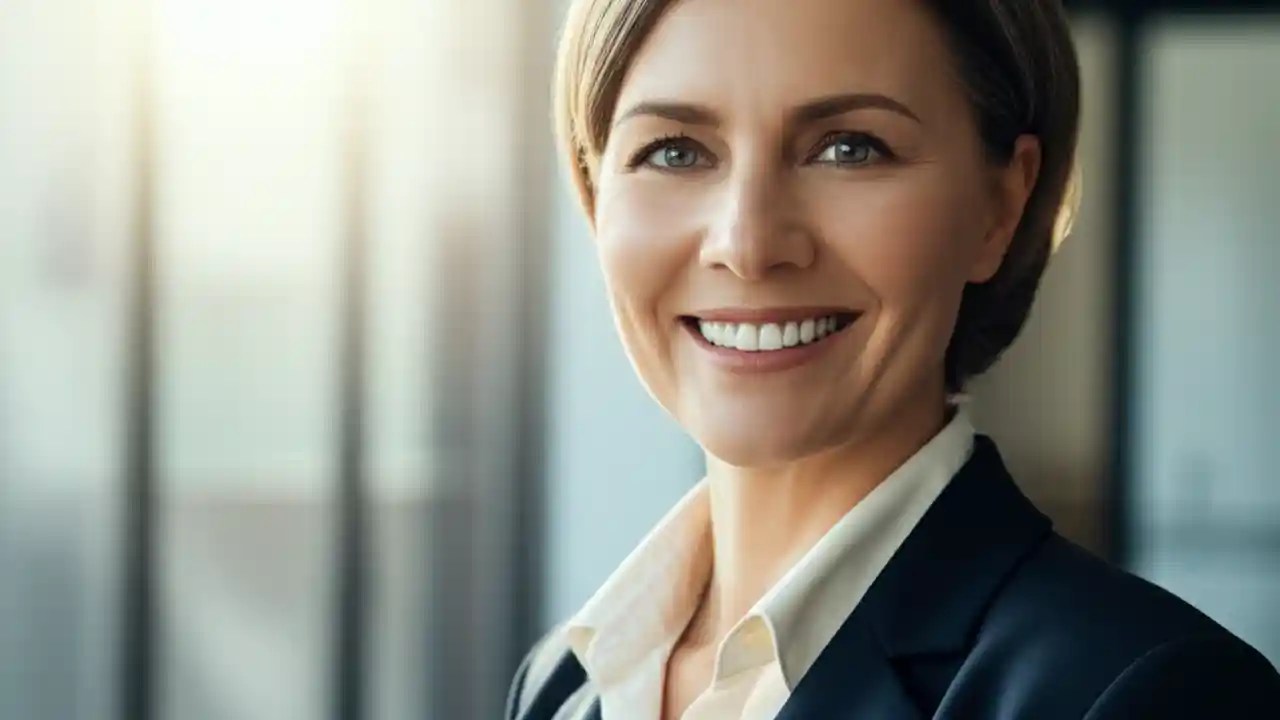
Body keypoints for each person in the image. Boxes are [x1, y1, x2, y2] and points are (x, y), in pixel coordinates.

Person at [506, 0, 1280, 718]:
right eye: (674, 151)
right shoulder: (562, 684)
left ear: (1000, 206)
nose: (747, 244)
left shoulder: (1143, 691)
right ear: (592, 191)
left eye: (848, 148)